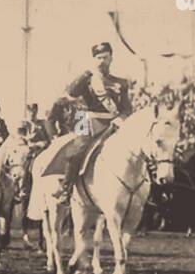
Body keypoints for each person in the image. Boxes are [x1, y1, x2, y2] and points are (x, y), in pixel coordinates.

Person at [47, 42, 133, 202]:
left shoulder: (121, 82)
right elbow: (71, 92)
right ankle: (66, 188)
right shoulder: (87, 79)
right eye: (98, 58)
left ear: (111, 58)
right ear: (93, 60)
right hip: (85, 119)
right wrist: (86, 74)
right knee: (77, 150)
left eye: (105, 57)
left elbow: (127, 108)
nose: (102, 61)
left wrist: (121, 118)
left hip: (113, 122)